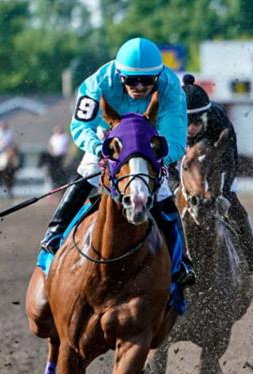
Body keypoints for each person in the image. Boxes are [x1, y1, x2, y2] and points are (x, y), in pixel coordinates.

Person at [40, 37, 192, 286]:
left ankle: (181, 262)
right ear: (120, 75)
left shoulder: (170, 87)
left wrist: (157, 157)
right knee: (88, 172)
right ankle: (54, 233)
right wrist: (100, 151)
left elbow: (175, 140)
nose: (140, 87)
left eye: (148, 80)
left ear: (158, 76)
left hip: (147, 141)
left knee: (163, 193)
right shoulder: (97, 83)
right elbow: (80, 127)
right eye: (133, 80)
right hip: (107, 138)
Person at [178, 73, 253, 270]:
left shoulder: (219, 120)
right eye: (186, 122)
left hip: (218, 165)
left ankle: (251, 253)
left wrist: (223, 190)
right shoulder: (169, 123)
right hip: (181, 163)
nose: (190, 129)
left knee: (234, 205)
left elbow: (229, 161)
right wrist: (175, 184)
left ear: (204, 117)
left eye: (195, 123)